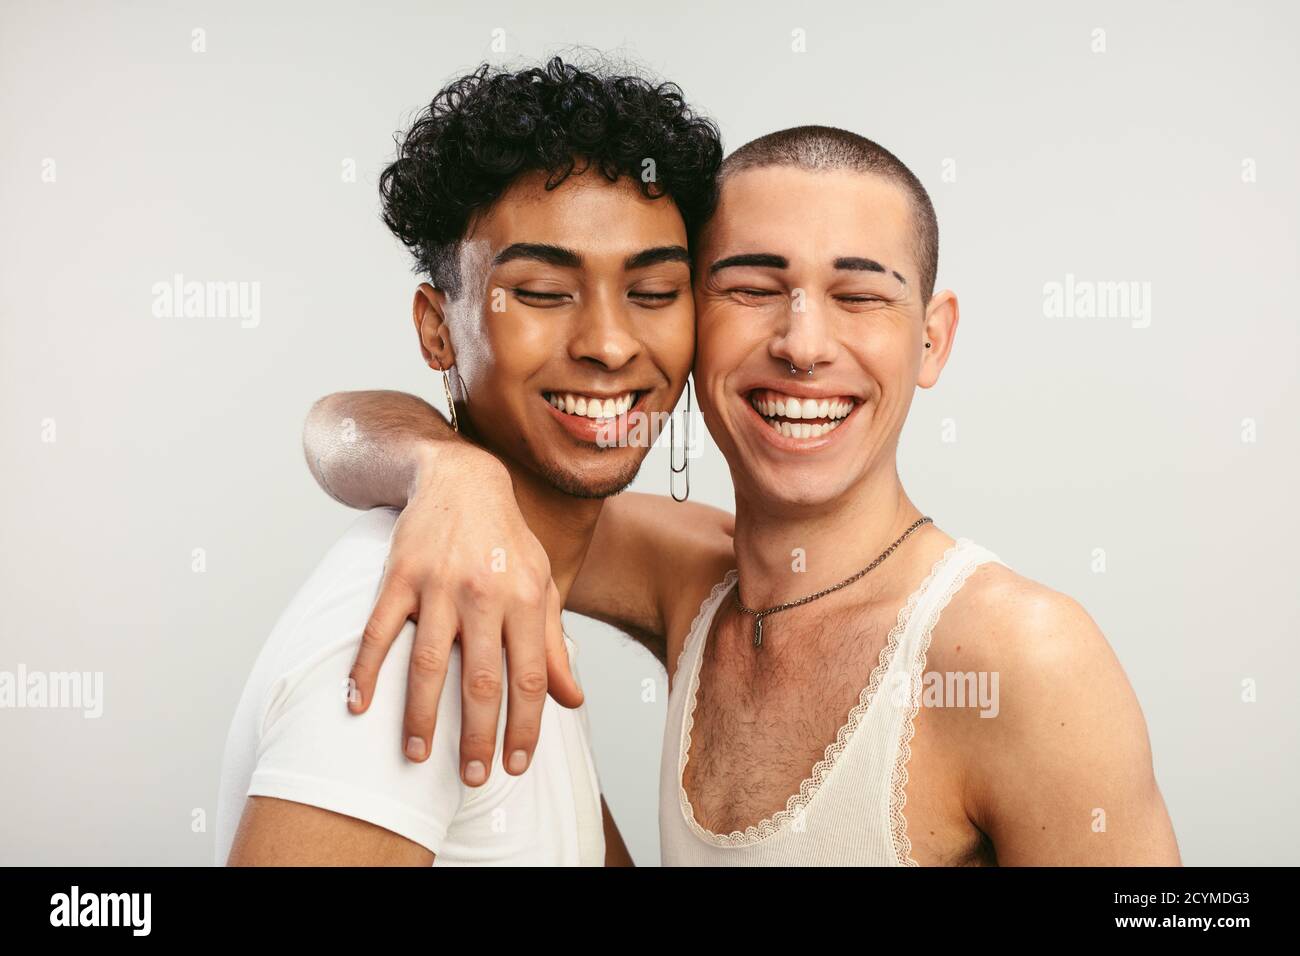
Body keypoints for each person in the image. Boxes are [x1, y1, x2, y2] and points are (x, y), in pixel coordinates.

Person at [307, 126, 1181, 865]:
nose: (803, 344)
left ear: (932, 340)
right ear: (690, 319)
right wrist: (446, 469)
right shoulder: (687, 580)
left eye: (860, 294)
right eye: (753, 289)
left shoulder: (1022, 655)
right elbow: (331, 430)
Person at [214, 56, 723, 865]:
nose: (608, 343)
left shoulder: (515, 590)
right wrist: (448, 469)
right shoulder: (422, 633)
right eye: (542, 292)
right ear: (436, 328)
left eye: (654, 293)